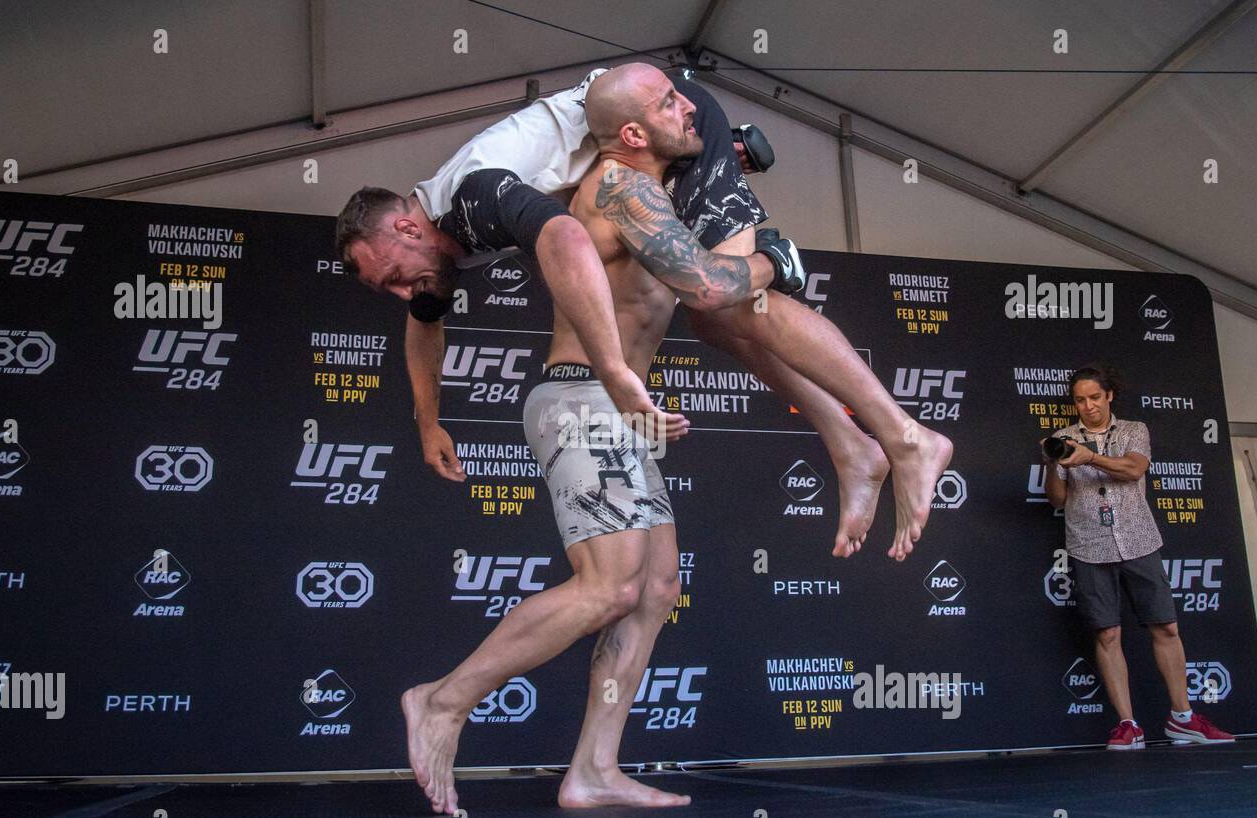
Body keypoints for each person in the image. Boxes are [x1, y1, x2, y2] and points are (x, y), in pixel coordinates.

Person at [338, 64, 954, 561]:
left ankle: (906, 437)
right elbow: (425, 319)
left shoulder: (468, 198)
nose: (402, 291)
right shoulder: (434, 254)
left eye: (393, 276)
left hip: (656, 109)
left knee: (727, 302)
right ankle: (852, 444)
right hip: (630, 153)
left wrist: (613, 369)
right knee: (715, 318)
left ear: (403, 225)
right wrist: (427, 424)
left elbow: (564, 239)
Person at [399, 77, 733, 815]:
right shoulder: (616, 187)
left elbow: (427, 310)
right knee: (610, 585)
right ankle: (442, 701)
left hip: (616, 411)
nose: (689, 114)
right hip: (583, 397)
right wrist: (771, 256)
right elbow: (712, 284)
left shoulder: (647, 194)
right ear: (631, 134)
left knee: (652, 592)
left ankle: (593, 768)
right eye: (671, 107)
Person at [1041, 363, 1233, 751]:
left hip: (1139, 540)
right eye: (1080, 400)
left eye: (1095, 397)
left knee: (1166, 628)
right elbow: (1057, 500)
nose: (1088, 406)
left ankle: (1183, 718)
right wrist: (1053, 464)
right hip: (1088, 544)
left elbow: (1133, 469)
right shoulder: (1063, 438)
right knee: (1107, 633)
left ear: (1109, 395)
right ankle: (1128, 725)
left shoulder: (1134, 430)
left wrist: (1089, 459)